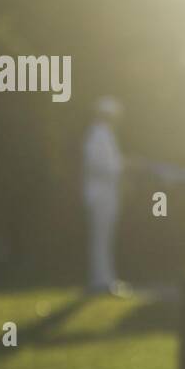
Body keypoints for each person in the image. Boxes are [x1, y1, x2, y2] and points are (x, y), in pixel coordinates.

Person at [82, 96, 125, 293]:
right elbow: (101, 166)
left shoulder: (104, 135)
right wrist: (121, 167)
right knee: (100, 239)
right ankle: (99, 281)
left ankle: (106, 278)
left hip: (107, 193)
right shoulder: (98, 135)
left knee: (105, 239)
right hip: (100, 194)